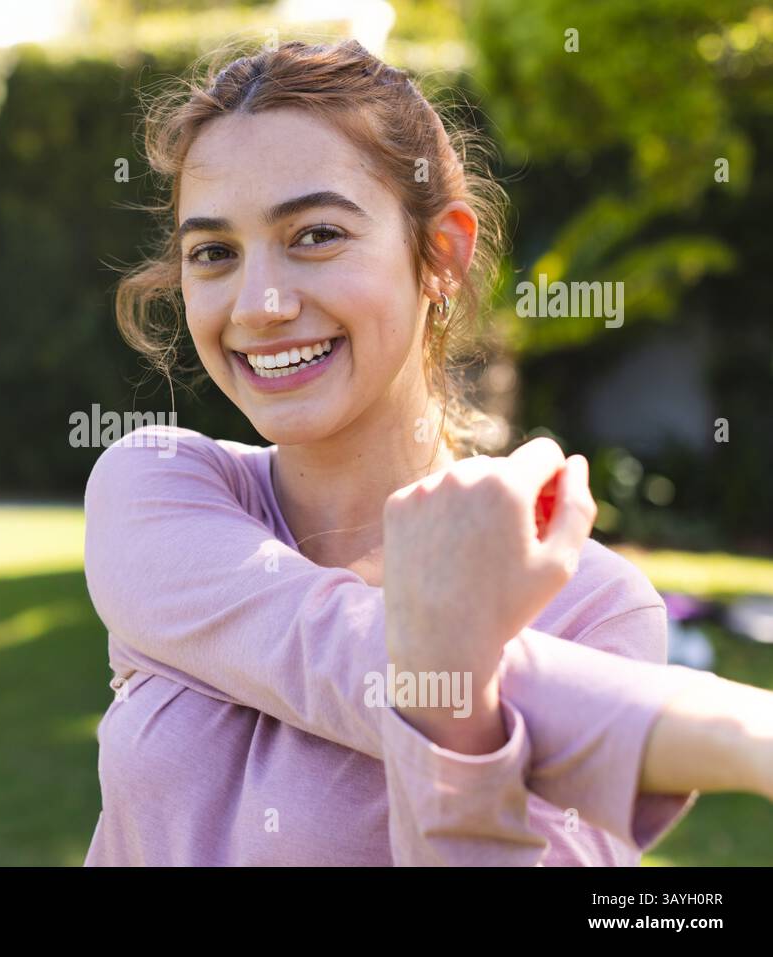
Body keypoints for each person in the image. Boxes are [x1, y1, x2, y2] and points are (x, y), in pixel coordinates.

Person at [81, 39, 773, 866]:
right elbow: (329, 649)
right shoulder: (156, 486)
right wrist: (732, 730)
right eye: (214, 252)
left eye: (315, 234)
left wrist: (458, 702)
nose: (260, 305)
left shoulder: (590, 605)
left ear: (440, 251)